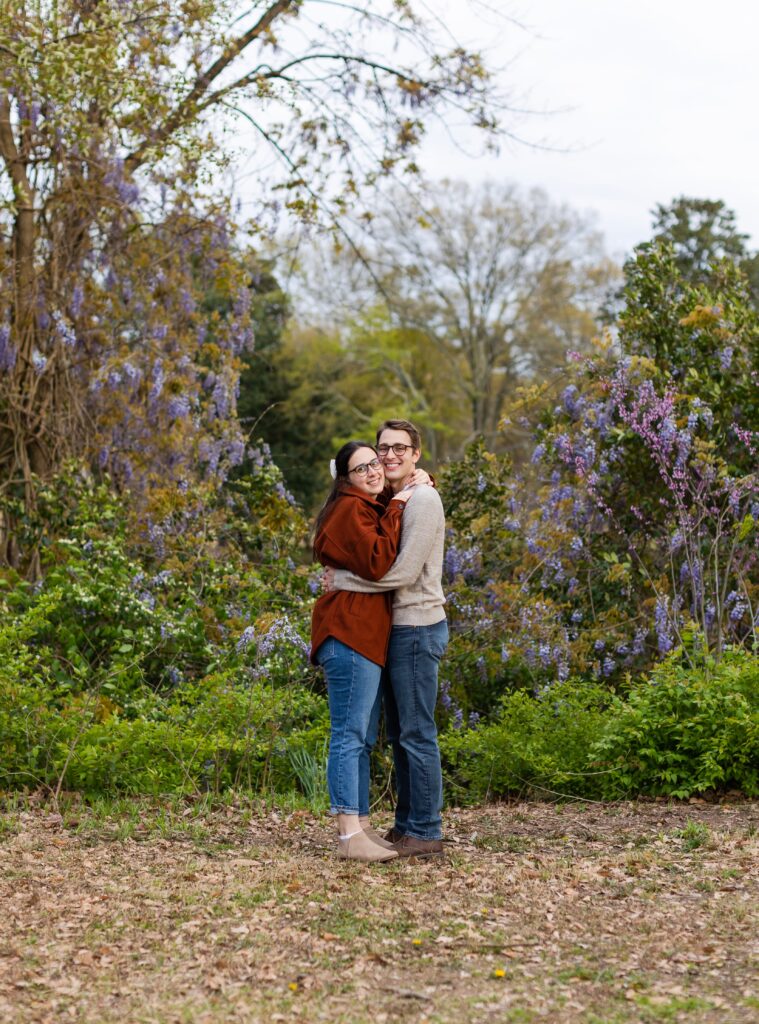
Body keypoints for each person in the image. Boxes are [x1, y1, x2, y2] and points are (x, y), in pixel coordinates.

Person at [325, 420, 448, 860]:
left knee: (416, 732)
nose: (390, 456)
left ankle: (425, 829)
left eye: (400, 448)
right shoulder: (391, 500)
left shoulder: (424, 500)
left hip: (417, 625)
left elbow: (401, 574)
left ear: (417, 453)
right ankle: (407, 825)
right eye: (383, 449)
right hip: (395, 629)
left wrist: (343, 580)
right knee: (400, 734)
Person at [311, 440, 415, 863]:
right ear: (345, 478)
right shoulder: (351, 510)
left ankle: (361, 829)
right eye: (361, 469)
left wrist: (406, 489)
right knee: (349, 735)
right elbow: (378, 562)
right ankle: (348, 836)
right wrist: (400, 503)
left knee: (360, 736)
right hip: (348, 634)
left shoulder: (365, 505)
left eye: (374, 463)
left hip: (362, 635)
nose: (373, 471)